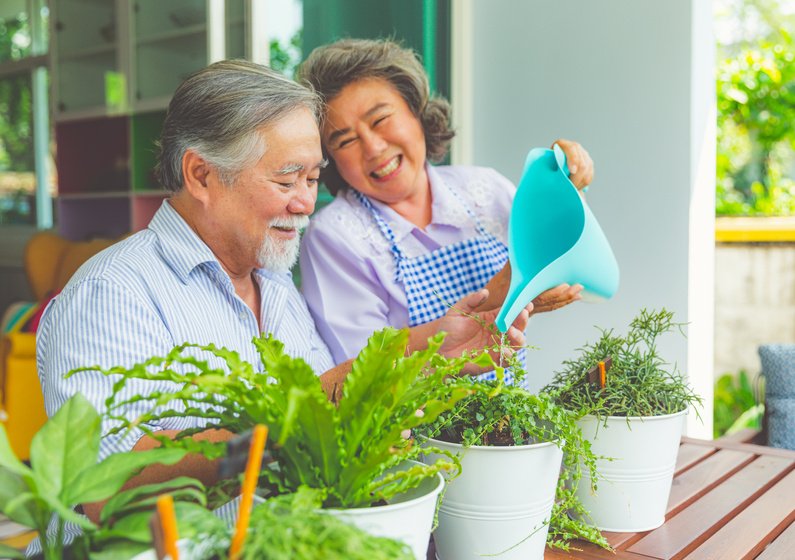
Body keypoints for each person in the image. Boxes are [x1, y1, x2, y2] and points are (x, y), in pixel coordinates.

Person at [33, 59, 530, 549]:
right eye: (287, 180)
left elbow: (330, 405)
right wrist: (284, 424)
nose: (306, 203)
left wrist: (425, 355)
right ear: (202, 175)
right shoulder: (112, 292)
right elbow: (109, 489)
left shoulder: (274, 283)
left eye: (313, 179)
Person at [298, 38, 594, 387]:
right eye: (345, 141)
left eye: (380, 120)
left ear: (417, 111)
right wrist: (500, 292)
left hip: (511, 426)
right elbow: (360, 370)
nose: (374, 148)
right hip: (412, 437)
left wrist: (564, 186)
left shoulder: (485, 188)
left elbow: (567, 260)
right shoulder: (334, 236)